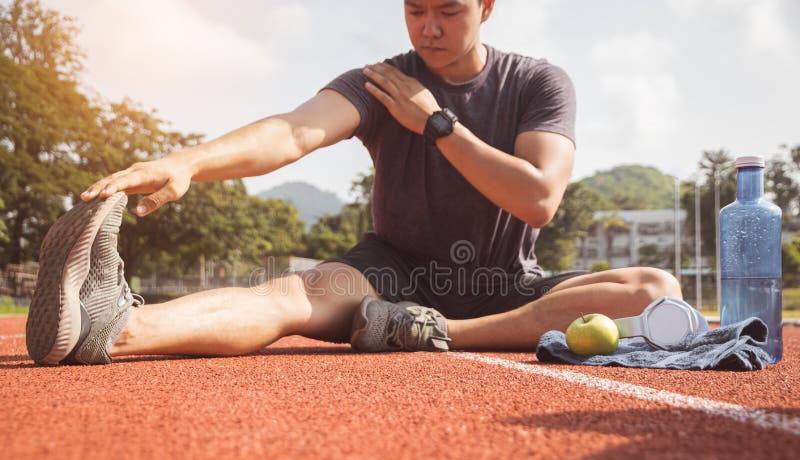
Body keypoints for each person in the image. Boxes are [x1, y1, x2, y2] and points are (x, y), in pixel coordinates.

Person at [25, 0, 681, 365]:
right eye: (415, 8)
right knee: (292, 293)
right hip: (388, 275)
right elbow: (293, 131)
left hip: (503, 283)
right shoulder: (382, 80)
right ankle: (107, 326)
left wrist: (438, 124)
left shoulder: (538, 82)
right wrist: (190, 161)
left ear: (486, 6)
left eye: (449, 10)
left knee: (655, 289)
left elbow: (538, 198)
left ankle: (428, 329)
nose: (428, 27)